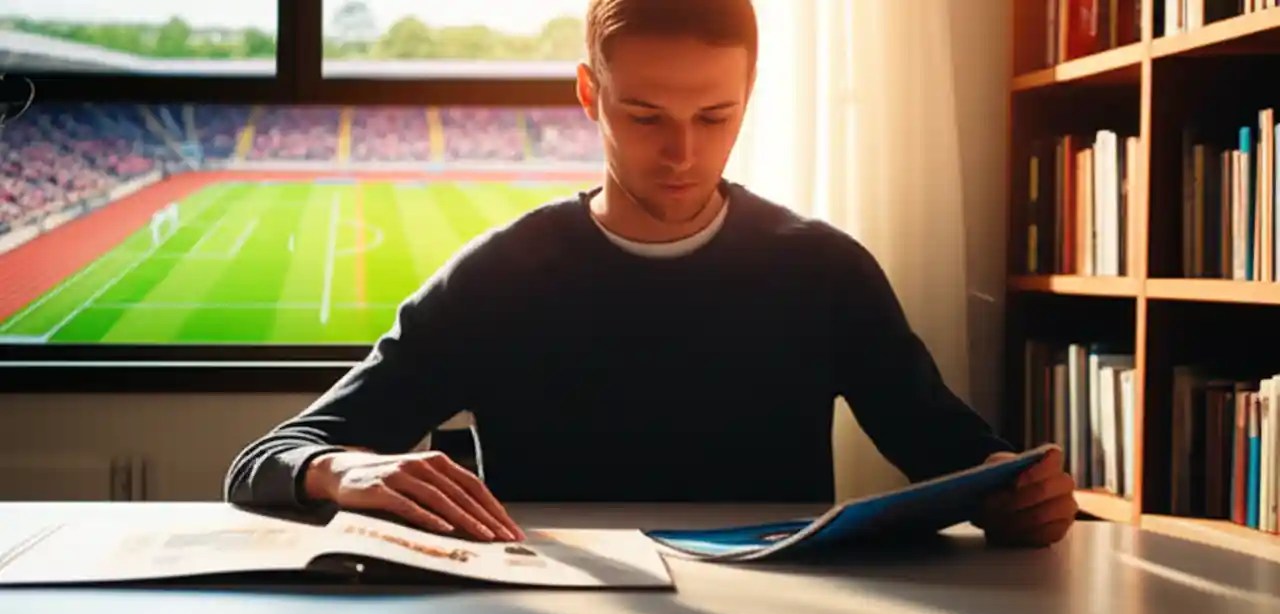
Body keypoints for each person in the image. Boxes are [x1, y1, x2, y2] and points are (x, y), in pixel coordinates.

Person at [224, 0, 1078, 548]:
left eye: (717, 116)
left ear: (751, 92)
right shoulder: (498, 278)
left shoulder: (825, 271)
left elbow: (961, 460)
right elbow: (267, 459)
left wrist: (1021, 497)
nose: (683, 153)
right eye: (645, 115)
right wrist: (340, 470)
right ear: (591, 96)